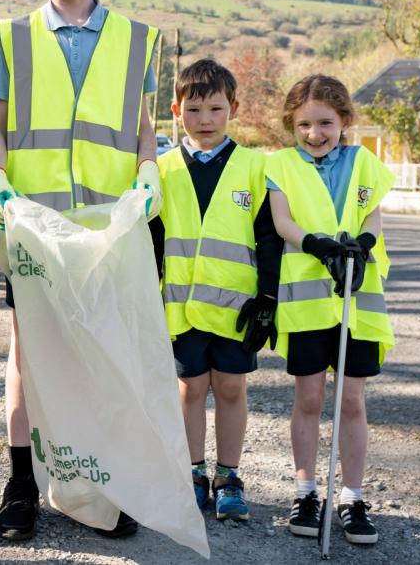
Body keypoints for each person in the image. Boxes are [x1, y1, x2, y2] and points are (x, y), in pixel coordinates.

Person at [0, 0, 161, 541]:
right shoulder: (12, 36)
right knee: (30, 360)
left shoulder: (138, 39)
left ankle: (100, 487)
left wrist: (149, 172)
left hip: (106, 230)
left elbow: (143, 129)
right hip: (33, 228)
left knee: (100, 356)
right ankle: (22, 485)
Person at [264, 74, 395, 546]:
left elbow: (372, 217)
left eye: (325, 123)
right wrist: (316, 244)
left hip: (357, 302)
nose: (314, 134)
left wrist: (362, 244)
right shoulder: (280, 164)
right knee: (310, 399)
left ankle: (353, 496)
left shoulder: (365, 162)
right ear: (291, 125)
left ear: (344, 121)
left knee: (352, 401)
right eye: (303, 125)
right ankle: (305, 491)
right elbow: (282, 221)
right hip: (307, 305)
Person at [150, 59, 282, 523]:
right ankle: (192, 474)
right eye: (194, 110)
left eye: (215, 109)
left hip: (237, 310)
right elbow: (152, 240)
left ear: (234, 109)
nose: (205, 120)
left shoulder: (253, 167)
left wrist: (270, 299)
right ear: (176, 111)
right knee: (190, 390)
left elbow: (269, 238)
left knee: (230, 389)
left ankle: (229, 477)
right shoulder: (161, 169)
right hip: (182, 309)